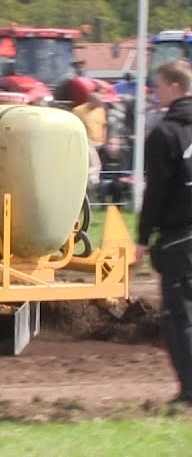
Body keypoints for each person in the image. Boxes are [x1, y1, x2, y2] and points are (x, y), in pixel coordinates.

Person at [135, 59, 192, 406]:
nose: (155, 93)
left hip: (179, 239)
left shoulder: (165, 133)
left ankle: (189, 392)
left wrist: (142, 239)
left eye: (158, 86)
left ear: (173, 87)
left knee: (180, 318)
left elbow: (155, 192)